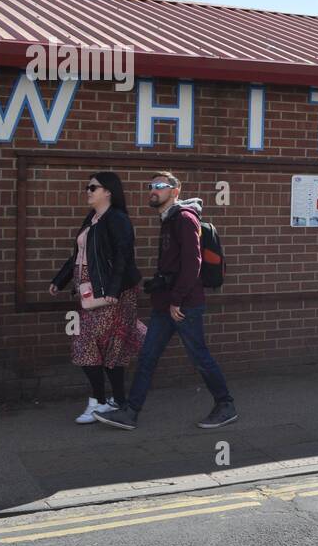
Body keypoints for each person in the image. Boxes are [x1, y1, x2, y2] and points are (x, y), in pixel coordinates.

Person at [95, 172, 238, 430]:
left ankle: (225, 405)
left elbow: (192, 263)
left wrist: (177, 300)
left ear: (175, 191)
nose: (154, 190)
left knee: (199, 356)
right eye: (151, 186)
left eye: (160, 186)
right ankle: (130, 413)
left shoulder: (184, 219)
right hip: (167, 304)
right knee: (148, 356)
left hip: (184, 305)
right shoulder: (168, 220)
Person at [49, 172, 146, 424]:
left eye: (93, 187)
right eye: (87, 187)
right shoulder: (92, 219)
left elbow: (123, 257)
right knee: (105, 346)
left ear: (108, 191)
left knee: (88, 344)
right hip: (90, 293)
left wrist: (112, 292)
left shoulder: (117, 219)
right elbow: (78, 256)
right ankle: (116, 401)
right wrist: (60, 280)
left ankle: (99, 402)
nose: (88, 191)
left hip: (110, 294)